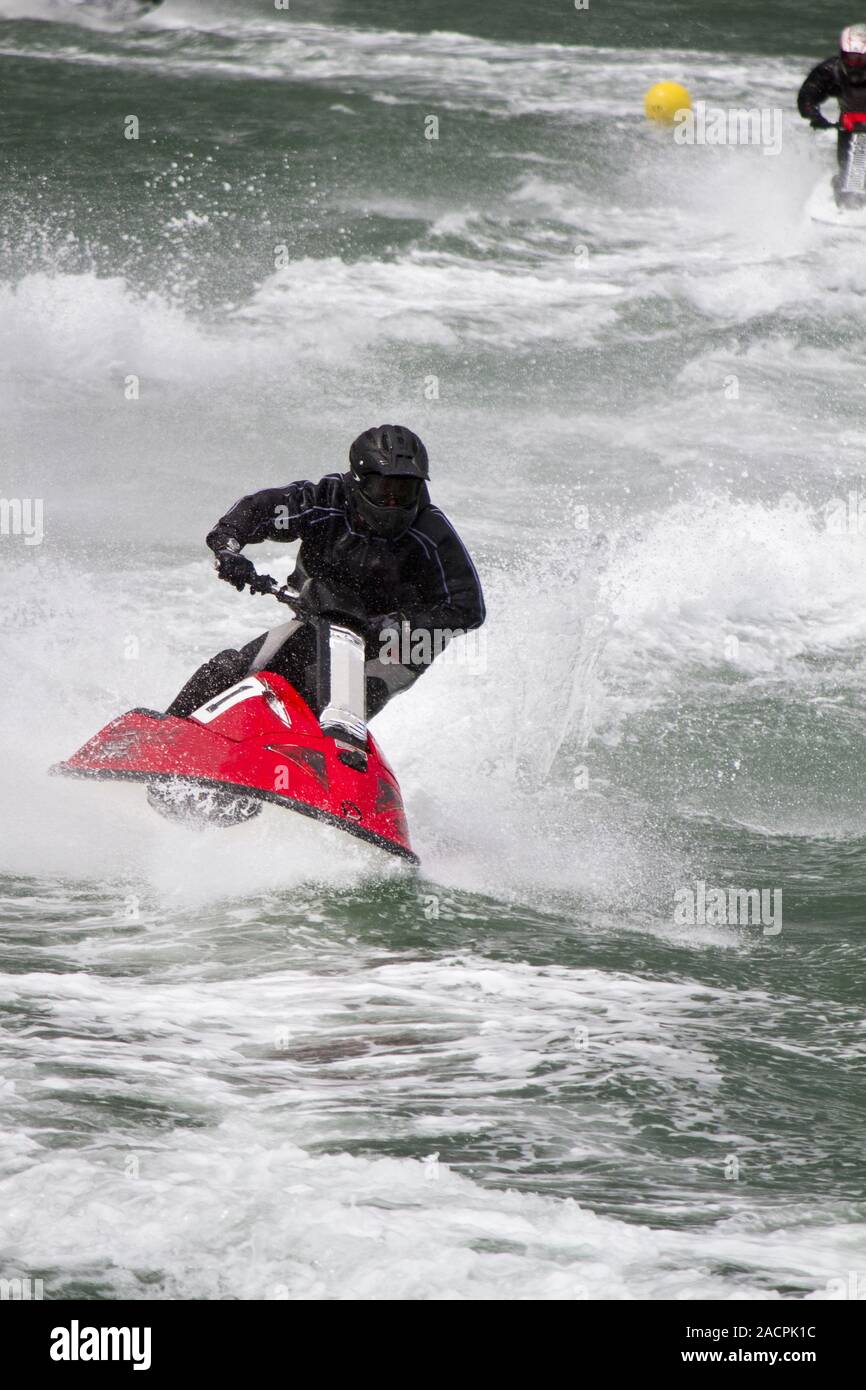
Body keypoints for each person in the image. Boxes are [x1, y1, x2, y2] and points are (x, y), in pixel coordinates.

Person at [166, 424, 486, 726]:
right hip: (318, 624)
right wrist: (227, 549)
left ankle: (334, 767)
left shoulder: (431, 532)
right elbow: (260, 509)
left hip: (394, 649)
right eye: (384, 489)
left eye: (405, 491)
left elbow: (468, 607)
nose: (393, 502)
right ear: (359, 481)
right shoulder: (325, 501)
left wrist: (394, 624)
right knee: (233, 670)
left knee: (329, 709)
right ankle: (163, 731)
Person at [798, 23, 866, 172]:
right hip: (850, 128)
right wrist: (814, 116)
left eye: (860, 60)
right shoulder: (830, 71)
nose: (855, 65)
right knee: (847, 175)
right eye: (851, 58)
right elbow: (807, 95)